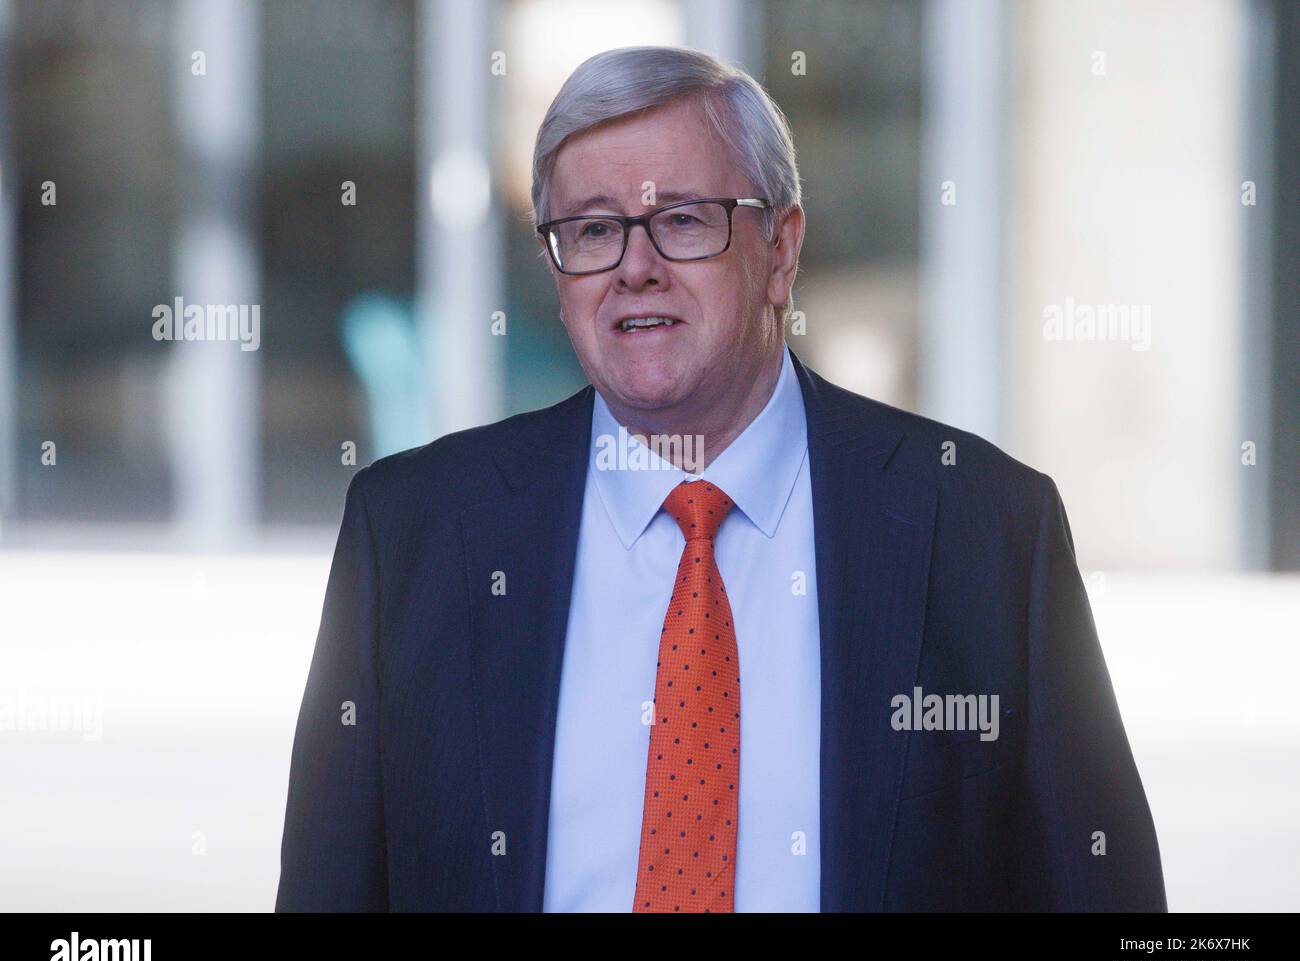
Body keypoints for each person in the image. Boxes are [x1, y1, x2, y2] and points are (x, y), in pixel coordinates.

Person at [275, 45, 1166, 912]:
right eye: (591, 229)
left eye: (683, 220)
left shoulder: (983, 527)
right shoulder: (413, 532)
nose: (634, 266)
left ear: (781, 251)